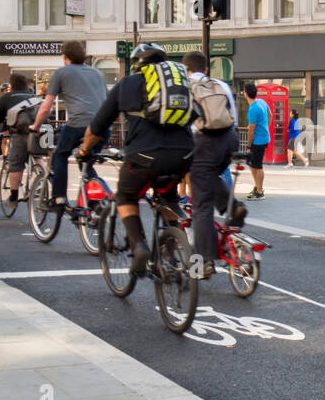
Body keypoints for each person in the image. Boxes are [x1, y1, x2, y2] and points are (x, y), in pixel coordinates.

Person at [78, 44, 195, 275]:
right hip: (183, 154)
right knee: (168, 196)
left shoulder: (127, 84)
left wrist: (84, 150)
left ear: (136, 65)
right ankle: (171, 249)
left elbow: (98, 126)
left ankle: (140, 246)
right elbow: (196, 115)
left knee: (125, 196)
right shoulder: (178, 86)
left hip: (143, 156)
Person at [183, 51, 246, 278]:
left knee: (201, 207)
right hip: (229, 139)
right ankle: (234, 207)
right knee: (209, 177)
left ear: (186, 70)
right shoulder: (220, 84)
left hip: (203, 142)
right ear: (207, 69)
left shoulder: (185, 85)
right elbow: (233, 117)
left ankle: (204, 264)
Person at [29, 41, 109, 212]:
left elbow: (45, 107)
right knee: (85, 160)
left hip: (79, 124)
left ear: (65, 57)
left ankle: (59, 198)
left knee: (60, 154)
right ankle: (95, 198)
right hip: (103, 126)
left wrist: (35, 126)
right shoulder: (97, 73)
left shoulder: (61, 72)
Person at [0, 74, 37, 204]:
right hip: (40, 132)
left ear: (11, 86)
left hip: (20, 133)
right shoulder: (33, 97)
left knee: (16, 164)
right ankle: (42, 180)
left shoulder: (6, 97)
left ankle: (13, 196)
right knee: (38, 157)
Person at [242, 82, 271, 200]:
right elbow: (270, 114)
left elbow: (251, 131)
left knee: (258, 165)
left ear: (245, 94)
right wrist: (266, 127)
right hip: (264, 137)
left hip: (258, 141)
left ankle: (260, 191)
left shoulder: (253, 109)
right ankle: (257, 186)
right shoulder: (262, 102)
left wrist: (248, 146)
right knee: (251, 163)